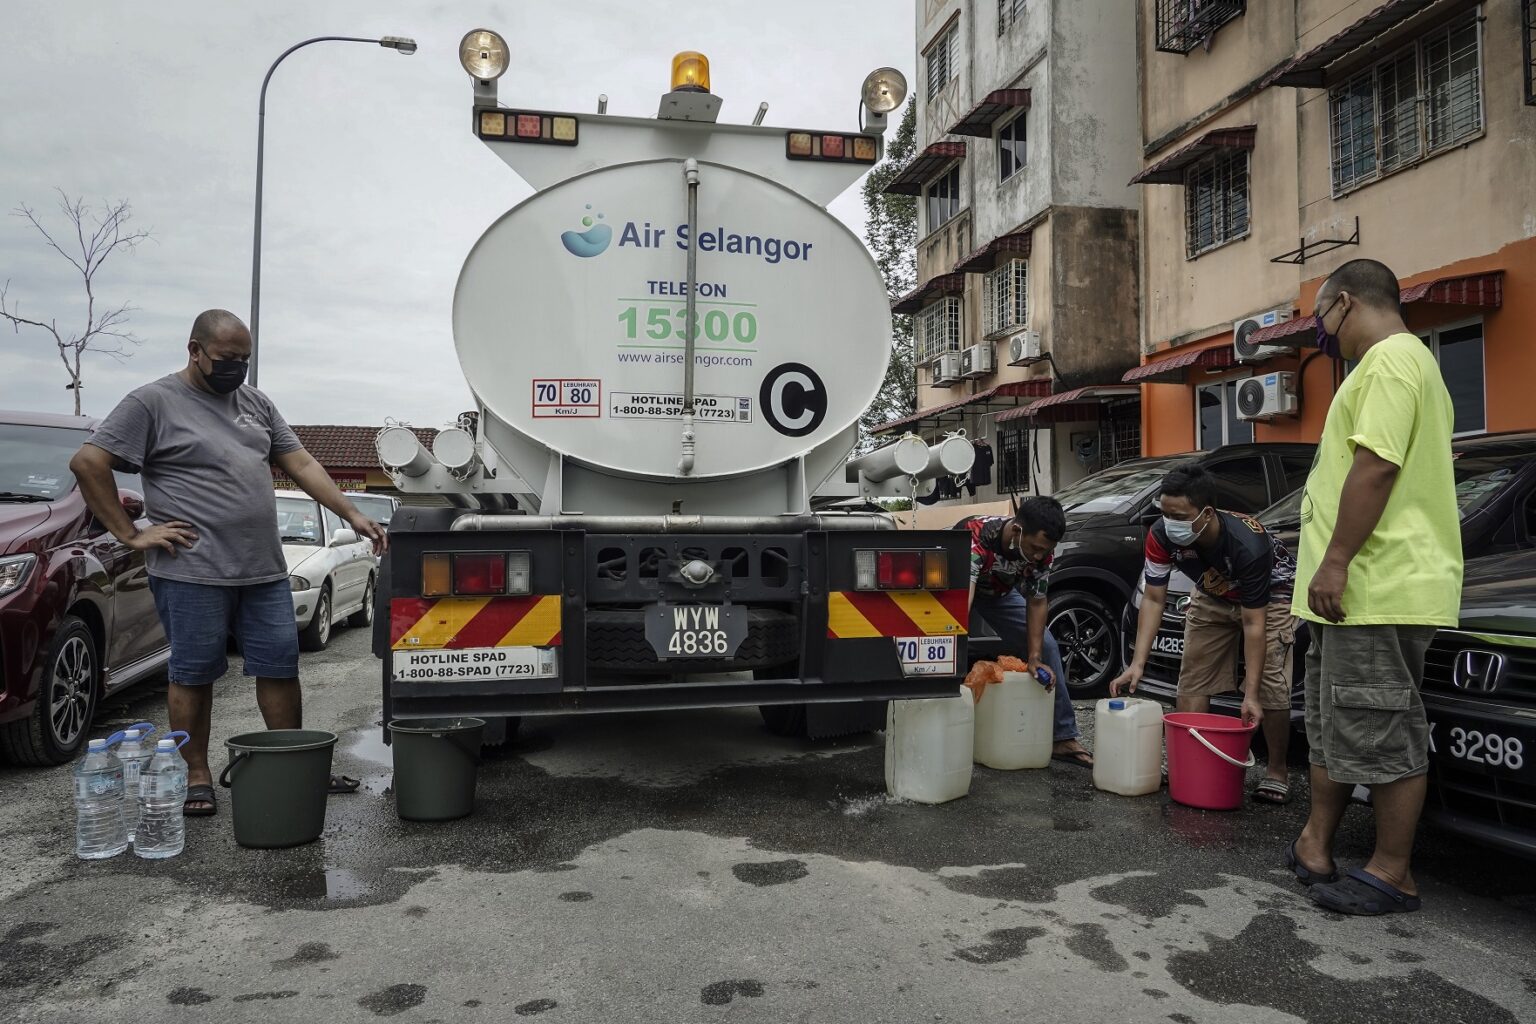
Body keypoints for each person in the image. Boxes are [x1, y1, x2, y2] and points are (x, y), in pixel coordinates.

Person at [69, 309, 388, 817]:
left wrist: (351, 511)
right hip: (192, 570)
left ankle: (296, 762)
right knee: (193, 674)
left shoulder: (255, 403)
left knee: (280, 667)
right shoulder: (153, 402)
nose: (235, 368)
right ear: (194, 350)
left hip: (262, 569)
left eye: (244, 359)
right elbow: (89, 462)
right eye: (225, 359)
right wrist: (131, 534)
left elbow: (299, 462)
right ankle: (195, 775)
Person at [1285, 259, 1460, 916]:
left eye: (1322, 319)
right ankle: (1315, 844)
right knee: (1334, 727)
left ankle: (1393, 872)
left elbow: (1376, 467)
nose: (1323, 335)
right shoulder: (1399, 368)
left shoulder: (1390, 362)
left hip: (1376, 584)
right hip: (1348, 595)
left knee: (1385, 727)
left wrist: (1336, 561)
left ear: (1345, 302)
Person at [1110, 465, 1299, 803]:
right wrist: (1138, 662)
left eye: (1179, 515)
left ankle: (1277, 771)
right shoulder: (1161, 534)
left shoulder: (1247, 543)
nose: (1170, 522)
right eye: (1164, 513)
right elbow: (1153, 599)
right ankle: (1191, 761)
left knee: (1270, 682)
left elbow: (1254, 623)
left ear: (1207, 513)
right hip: (1213, 593)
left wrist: (1250, 695)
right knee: (1194, 677)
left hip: (1271, 597)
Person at [960, 497, 1093, 767]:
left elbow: (1037, 600)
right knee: (948, 644)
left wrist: (1034, 656)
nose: (1038, 556)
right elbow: (963, 602)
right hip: (958, 591)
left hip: (999, 595)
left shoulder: (1043, 552)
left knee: (1048, 647)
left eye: (1045, 551)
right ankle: (951, 725)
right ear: (1018, 531)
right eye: (1035, 548)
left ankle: (1062, 737)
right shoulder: (975, 538)